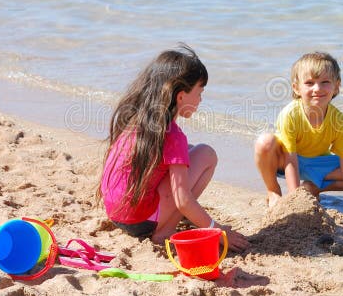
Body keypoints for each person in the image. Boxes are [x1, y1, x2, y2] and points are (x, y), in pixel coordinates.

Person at [99, 44, 249, 251]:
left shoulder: (134, 119)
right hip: (140, 221)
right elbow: (183, 200)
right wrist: (218, 231)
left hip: (116, 214)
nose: (200, 100)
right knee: (205, 154)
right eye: (199, 92)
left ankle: (163, 222)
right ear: (181, 96)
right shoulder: (173, 135)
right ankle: (165, 231)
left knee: (190, 152)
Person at [254, 51, 343, 219]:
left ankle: (312, 188)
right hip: (285, 160)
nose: (317, 89)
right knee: (264, 142)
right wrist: (295, 202)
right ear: (296, 87)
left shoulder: (340, 121)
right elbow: (291, 162)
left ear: (336, 86)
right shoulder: (291, 114)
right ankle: (273, 191)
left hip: (317, 163)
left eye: (325, 82)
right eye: (309, 83)